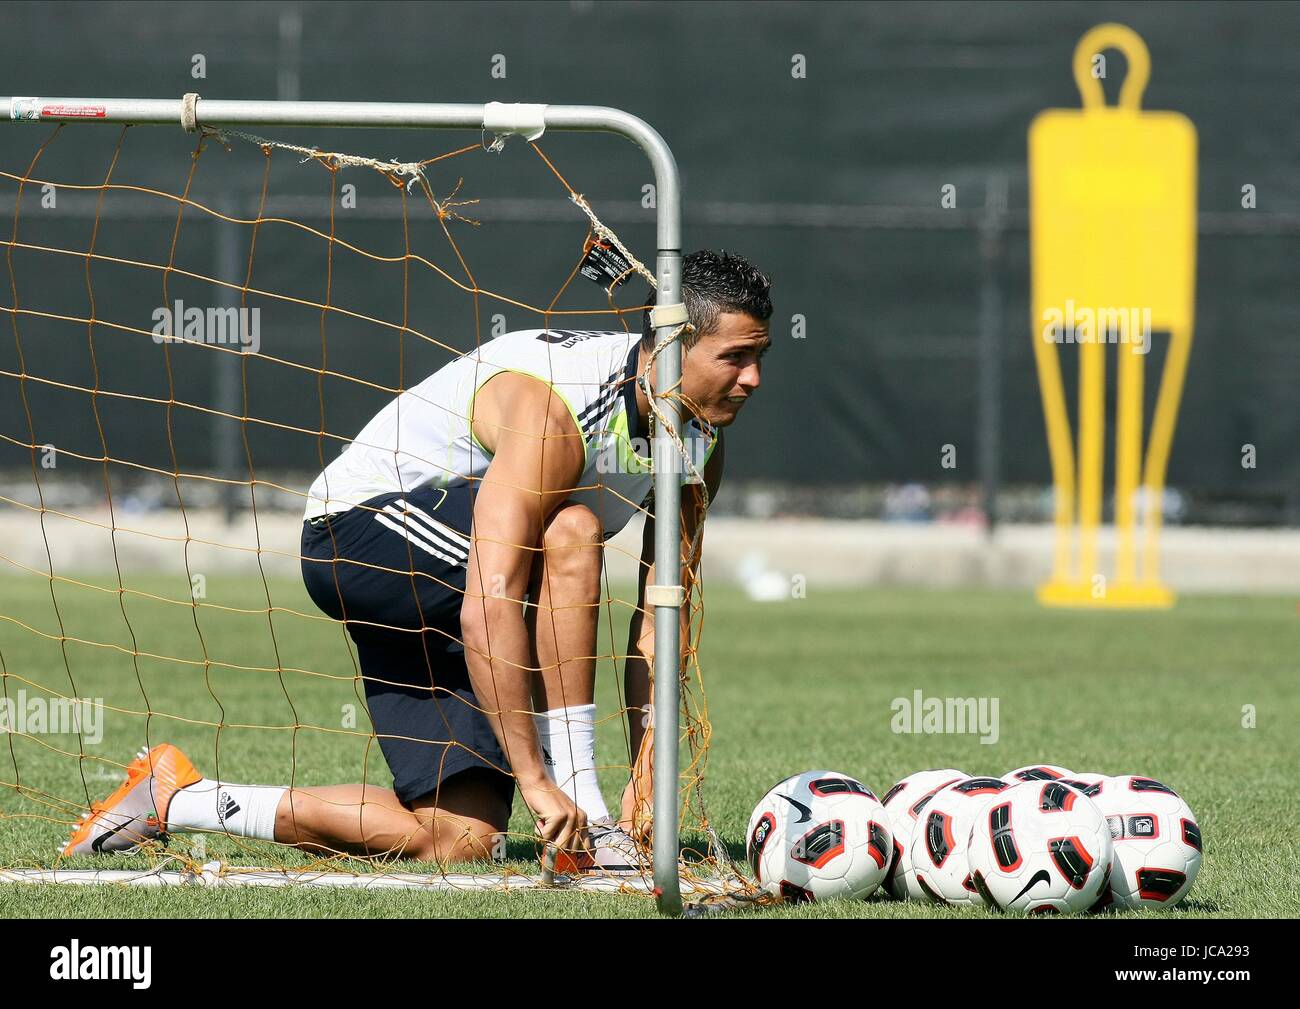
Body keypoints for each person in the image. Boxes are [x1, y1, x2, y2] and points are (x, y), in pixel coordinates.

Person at [64, 250, 773, 872]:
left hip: (450, 598)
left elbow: (661, 619)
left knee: (460, 838)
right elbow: (490, 599)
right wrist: (540, 781)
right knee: (573, 530)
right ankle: (586, 804)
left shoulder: (700, 444)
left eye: (760, 357)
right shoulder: (556, 407)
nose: (752, 379)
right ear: (673, 345)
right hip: (358, 534)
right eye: (734, 357)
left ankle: (178, 798)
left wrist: (650, 774)